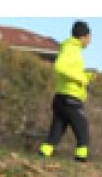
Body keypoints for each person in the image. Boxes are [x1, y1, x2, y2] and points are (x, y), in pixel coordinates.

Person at [39, 21, 92, 162]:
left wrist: (86, 76)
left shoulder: (69, 48)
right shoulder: (72, 49)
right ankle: (80, 164)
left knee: (56, 132)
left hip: (62, 97)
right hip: (70, 99)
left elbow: (68, 70)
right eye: (90, 37)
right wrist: (81, 78)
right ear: (84, 37)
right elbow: (60, 67)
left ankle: (42, 156)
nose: (90, 41)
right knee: (83, 133)